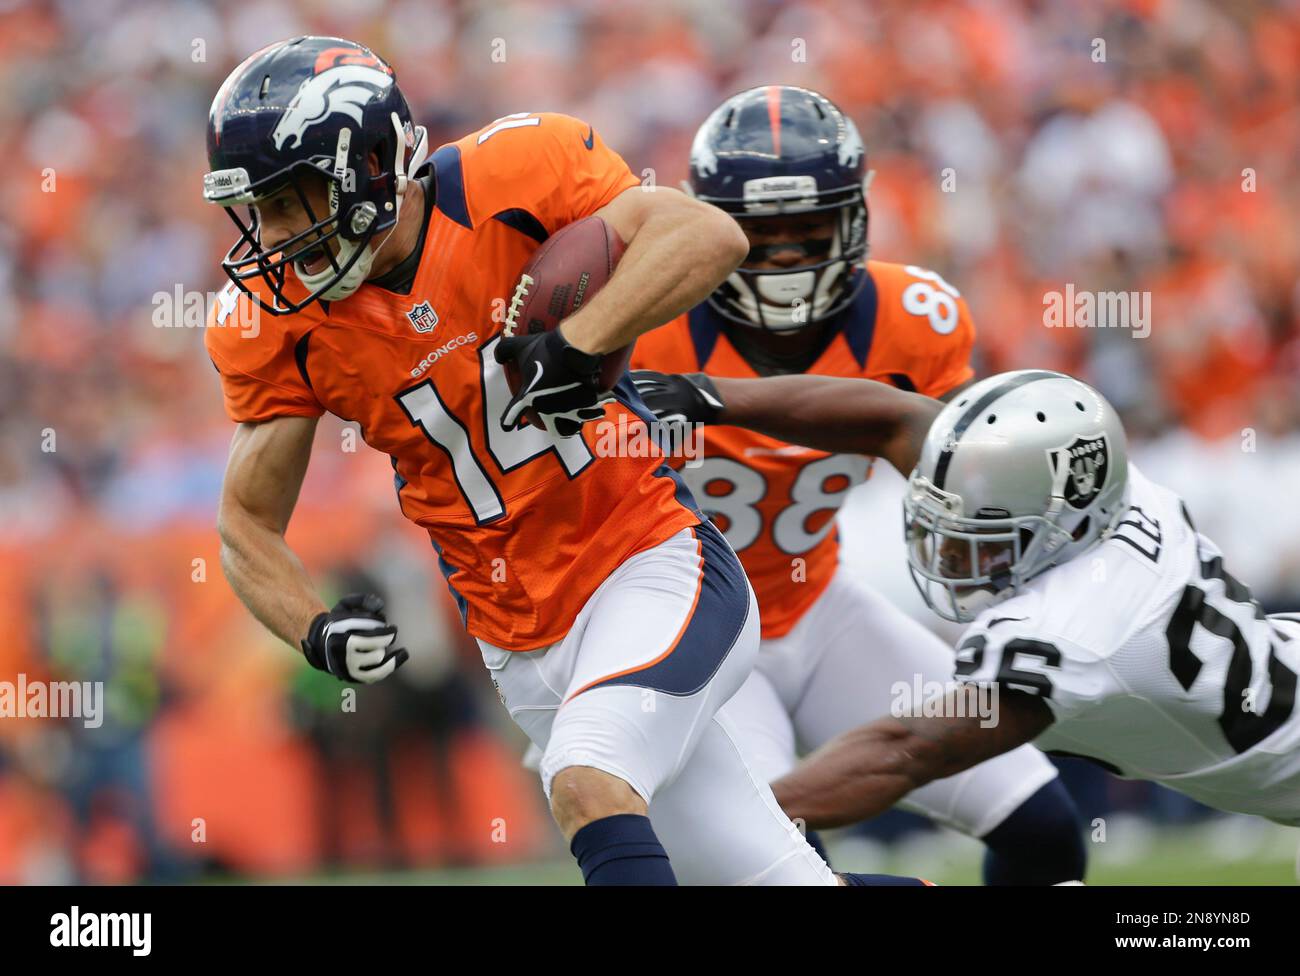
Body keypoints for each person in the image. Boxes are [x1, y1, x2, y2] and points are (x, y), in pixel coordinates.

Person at [201, 35, 919, 885]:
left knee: (585, 782)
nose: (274, 234)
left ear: (365, 165)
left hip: (649, 564)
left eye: (291, 199)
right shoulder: (274, 322)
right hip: (516, 639)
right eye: (259, 208)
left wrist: (583, 340)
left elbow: (708, 235)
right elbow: (247, 520)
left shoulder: (515, 175)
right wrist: (315, 630)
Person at [630, 86, 1083, 884]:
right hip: (698, 641)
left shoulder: (916, 319)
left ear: (855, 220)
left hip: (821, 604)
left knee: (1045, 829)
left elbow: (956, 484)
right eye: (757, 238)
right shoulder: (641, 327)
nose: (784, 261)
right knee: (780, 862)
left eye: (809, 234)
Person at [638, 368, 1300, 830]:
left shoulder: (1078, 626)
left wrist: (729, 828)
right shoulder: (1102, 493)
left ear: (1059, 521)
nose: (949, 554)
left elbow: (904, 750)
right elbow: (894, 417)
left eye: (983, 536)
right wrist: (706, 395)